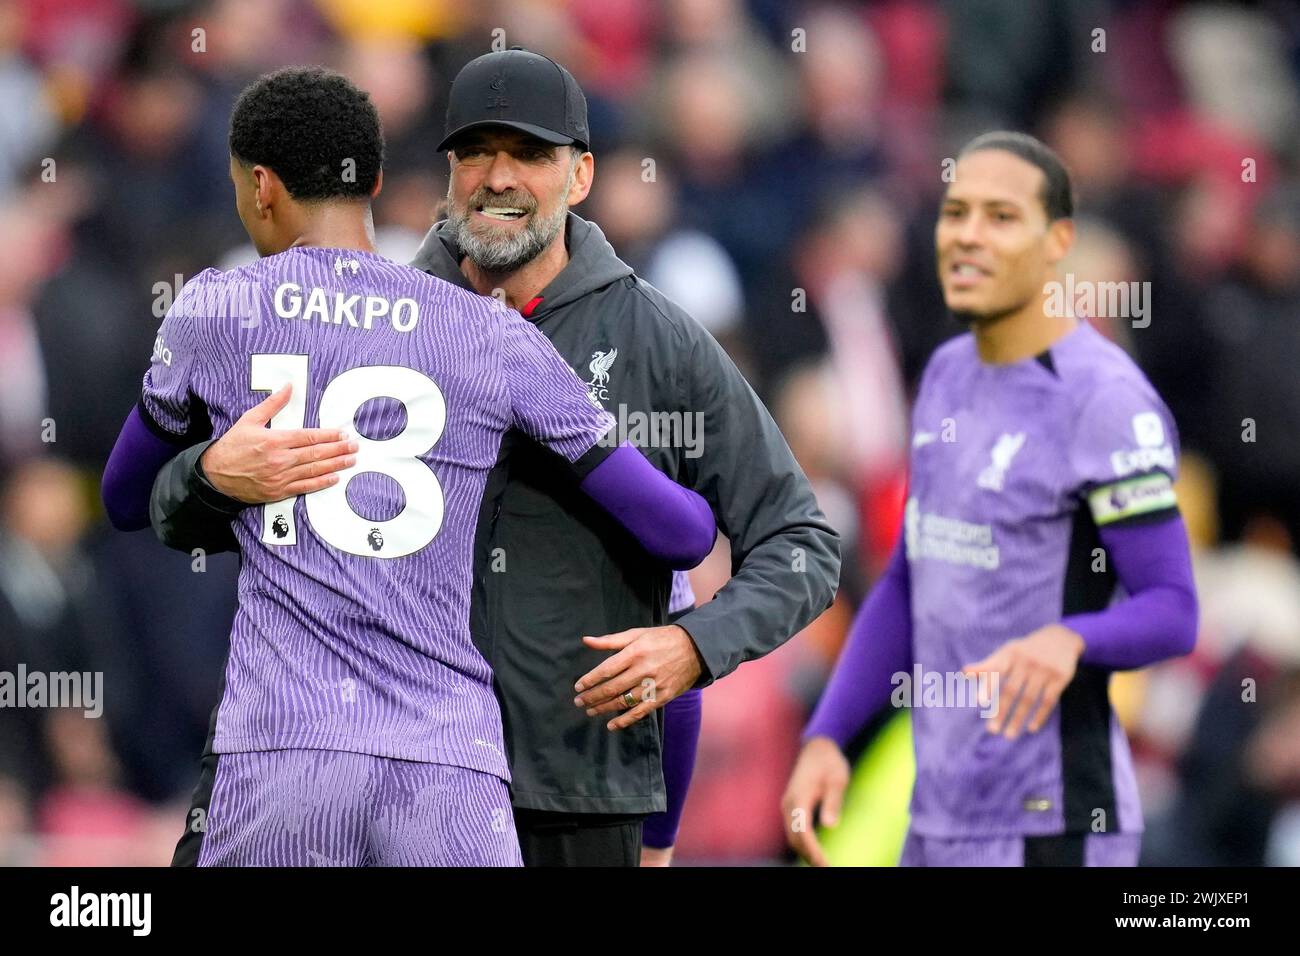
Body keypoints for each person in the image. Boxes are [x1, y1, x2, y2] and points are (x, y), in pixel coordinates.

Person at [146, 48, 840, 866]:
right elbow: (177, 510)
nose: (497, 176)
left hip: (574, 795)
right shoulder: (360, 314)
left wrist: (696, 646)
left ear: (580, 176)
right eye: (475, 151)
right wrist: (207, 478)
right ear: (445, 171)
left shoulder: (661, 341)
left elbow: (803, 544)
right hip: (373, 778)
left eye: (530, 155)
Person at [782, 132, 1198, 867]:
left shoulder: (1103, 400)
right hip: (938, 815)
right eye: (956, 213)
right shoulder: (945, 375)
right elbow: (911, 582)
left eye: (1001, 217)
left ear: (1056, 241)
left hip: (1054, 817)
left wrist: (1071, 640)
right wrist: (829, 734)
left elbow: (1173, 607)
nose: (968, 235)